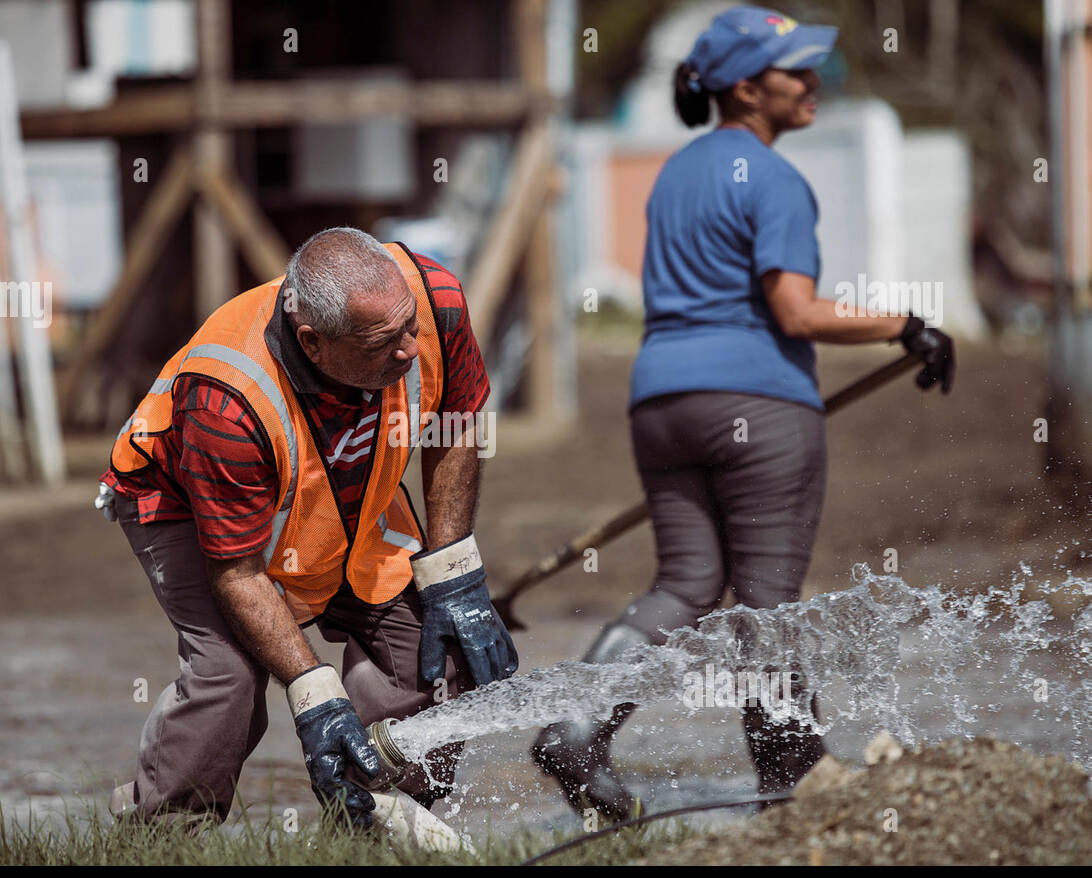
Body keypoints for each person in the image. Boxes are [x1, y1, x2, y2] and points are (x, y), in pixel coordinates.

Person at [532, 5, 954, 820]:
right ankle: (791, 782)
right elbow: (794, 312)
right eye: (796, 71)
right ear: (745, 87)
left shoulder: (677, 173)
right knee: (768, 599)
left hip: (660, 402)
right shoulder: (775, 180)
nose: (813, 83)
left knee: (687, 582)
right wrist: (906, 326)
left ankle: (577, 727)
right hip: (759, 405)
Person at [99, 226, 516, 831]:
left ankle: (372, 822)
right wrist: (314, 695)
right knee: (231, 677)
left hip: (342, 472)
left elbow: (456, 420)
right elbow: (239, 571)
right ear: (313, 343)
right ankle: (164, 833)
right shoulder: (225, 400)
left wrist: (453, 575)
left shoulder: (435, 300)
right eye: (383, 343)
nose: (408, 350)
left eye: (409, 328)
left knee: (429, 649)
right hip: (189, 500)